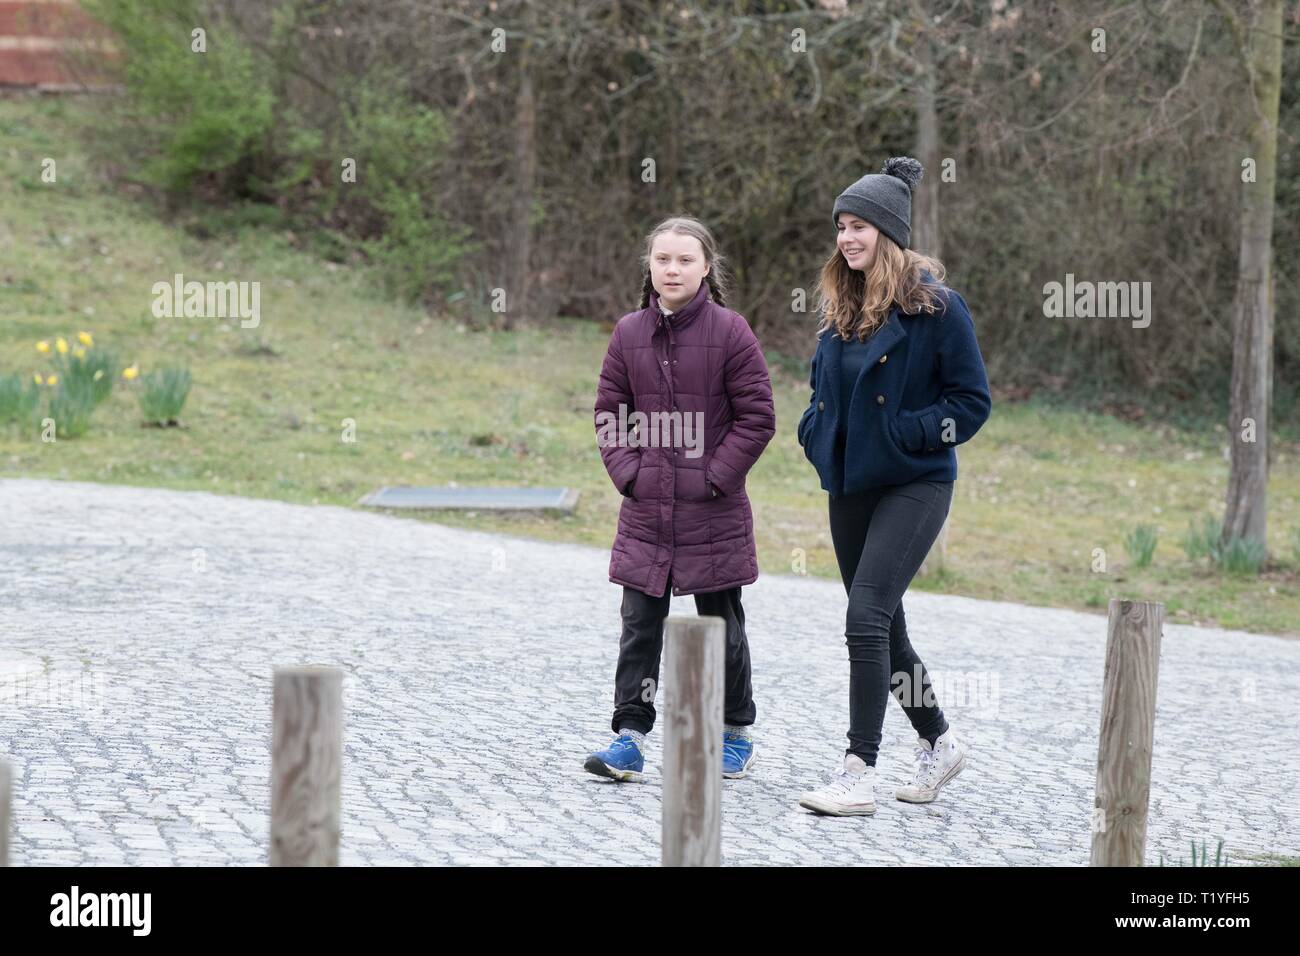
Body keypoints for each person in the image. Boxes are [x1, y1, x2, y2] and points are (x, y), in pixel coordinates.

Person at [795, 157, 992, 815]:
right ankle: (939, 741)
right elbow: (823, 389)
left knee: (864, 617)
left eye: (859, 227)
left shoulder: (937, 308)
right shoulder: (839, 307)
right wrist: (813, 430)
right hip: (849, 483)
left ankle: (857, 771)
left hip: (916, 482)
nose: (847, 238)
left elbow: (971, 402)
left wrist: (911, 434)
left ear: (888, 231)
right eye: (841, 226)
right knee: (886, 626)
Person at [585, 215, 776, 783]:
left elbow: (758, 418)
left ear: (706, 268)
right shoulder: (627, 333)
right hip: (646, 510)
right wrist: (631, 475)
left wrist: (714, 478)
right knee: (640, 623)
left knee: (720, 623)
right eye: (663, 259)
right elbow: (609, 414)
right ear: (650, 265)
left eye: (685, 260)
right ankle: (629, 737)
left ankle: (734, 732)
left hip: (712, 510)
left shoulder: (732, 331)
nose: (673, 269)